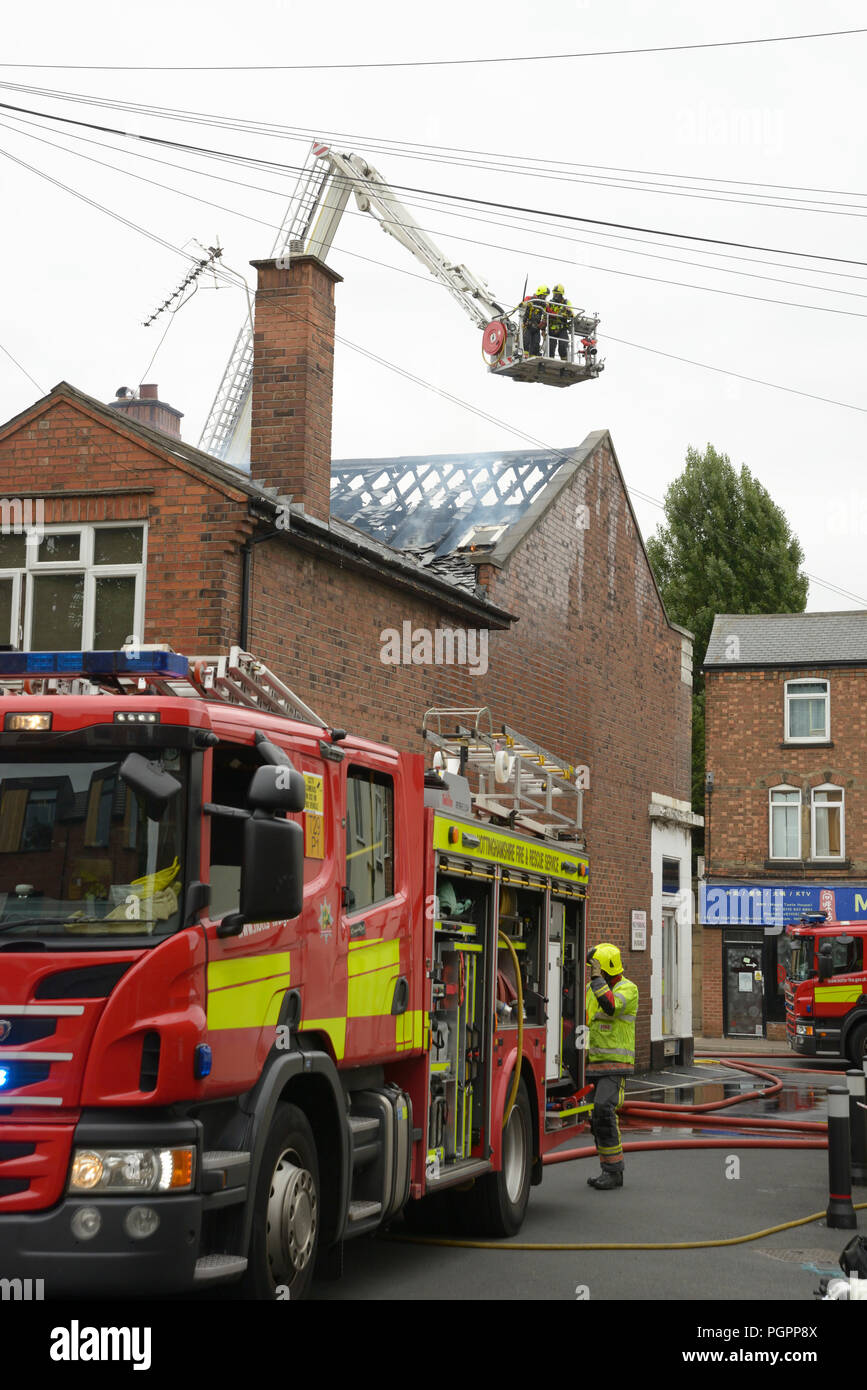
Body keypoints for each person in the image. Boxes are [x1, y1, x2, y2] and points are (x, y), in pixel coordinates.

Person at [584, 942, 638, 1190]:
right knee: (596, 1117)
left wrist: (597, 981)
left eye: (596, 969)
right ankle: (608, 1169)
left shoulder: (629, 989)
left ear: (604, 969)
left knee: (604, 1108)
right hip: (593, 1063)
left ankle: (615, 1172)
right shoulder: (590, 989)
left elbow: (611, 1005)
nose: (592, 973)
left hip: (616, 1064)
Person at [520, 285, 549, 356]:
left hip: (537, 327)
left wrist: (543, 329)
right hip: (528, 325)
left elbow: (545, 316)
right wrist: (523, 304)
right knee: (526, 341)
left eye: (545, 296)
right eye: (544, 296)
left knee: (536, 344)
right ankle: (525, 355)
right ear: (540, 294)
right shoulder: (529, 299)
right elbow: (523, 305)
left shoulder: (544, 305)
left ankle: (533, 355)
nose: (545, 298)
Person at [547, 284, 573, 359]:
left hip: (562, 328)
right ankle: (550, 361)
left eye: (557, 293)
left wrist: (568, 313)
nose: (555, 295)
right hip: (551, 328)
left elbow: (571, 312)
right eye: (554, 293)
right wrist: (543, 329)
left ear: (561, 294)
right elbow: (546, 314)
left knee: (563, 346)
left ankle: (564, 362)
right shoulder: (550, 303)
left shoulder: (566, 302)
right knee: (550, 349)